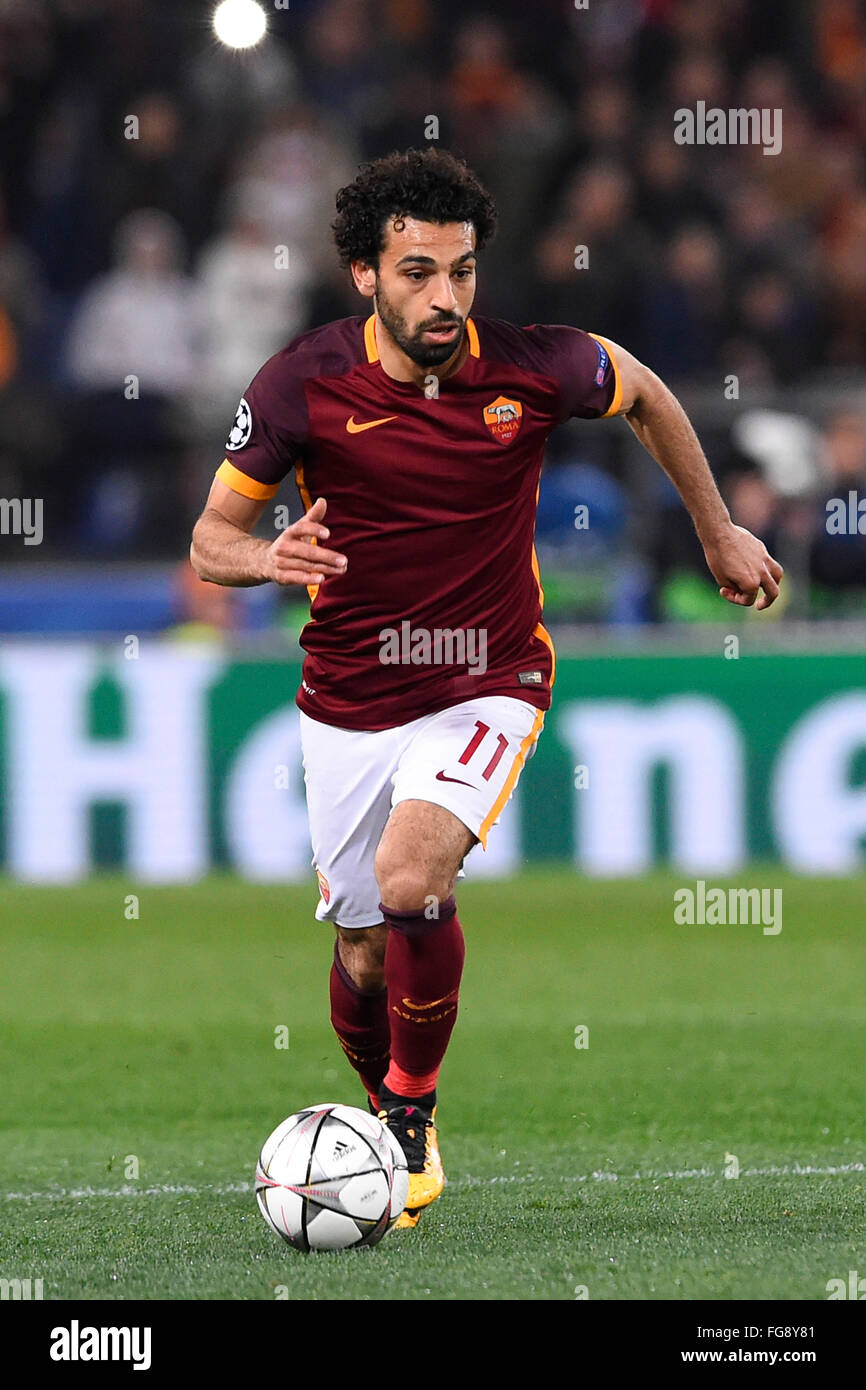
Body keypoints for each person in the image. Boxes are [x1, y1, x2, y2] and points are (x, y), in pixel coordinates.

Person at [189, 148, 783, 1229]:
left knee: (411, 880)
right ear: (363, 275)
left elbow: (643, 391)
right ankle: (381, 1108)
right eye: (417, 272)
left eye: (460, 271)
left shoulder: (531, 367)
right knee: (362, 948)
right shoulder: (300, 385)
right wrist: (266, 558)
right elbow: (209, 539)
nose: (445, 298)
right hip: (350, 694)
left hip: (485, 676)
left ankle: (408, 1119)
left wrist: (715, 527)